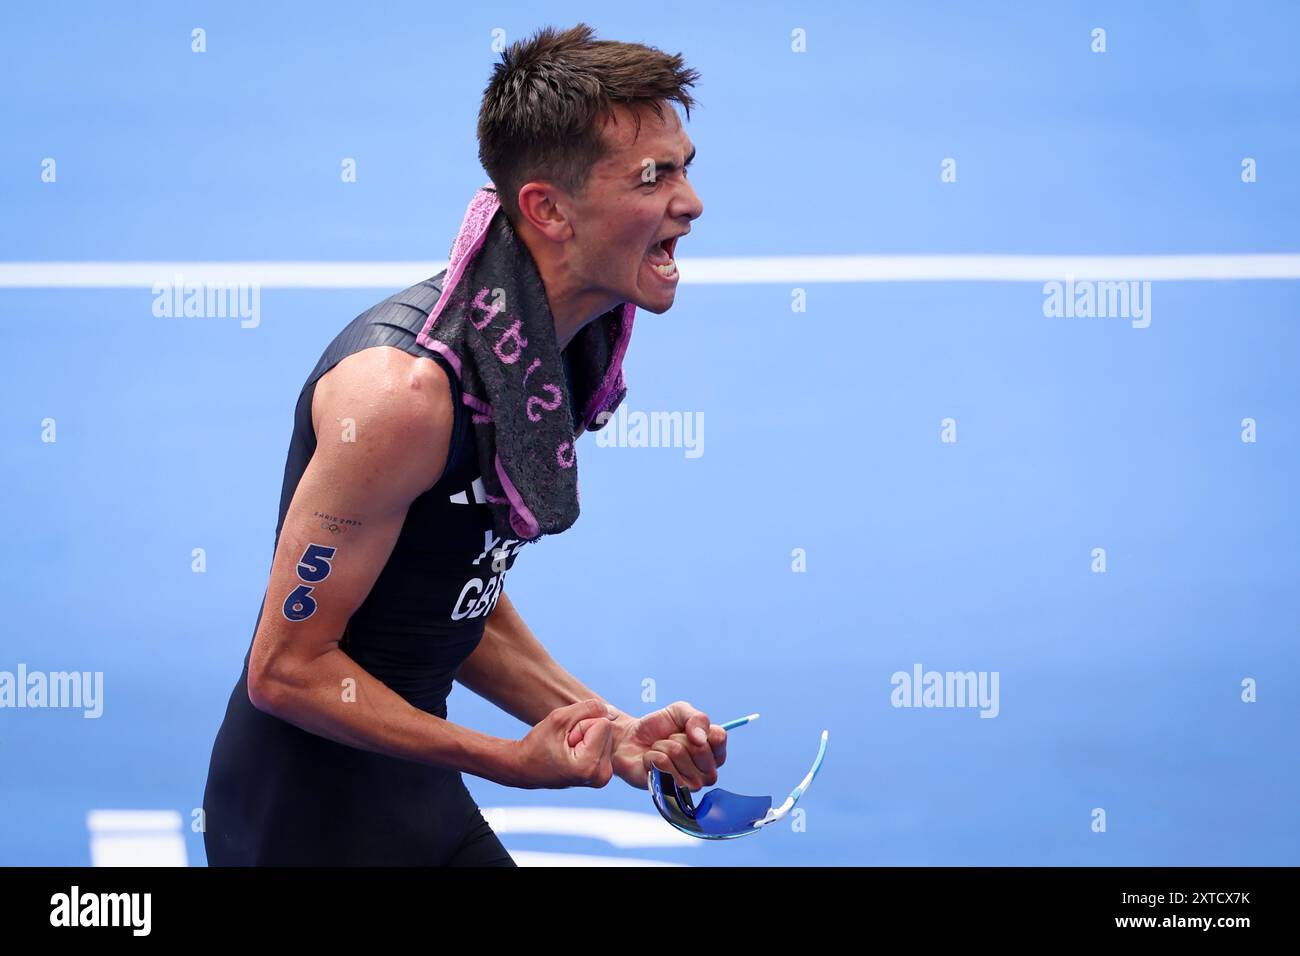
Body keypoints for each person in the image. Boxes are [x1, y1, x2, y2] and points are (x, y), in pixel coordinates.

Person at [202, 23, 723, 866]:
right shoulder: (400, 398)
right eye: (652, 177)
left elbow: (447, 586)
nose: (691, 202)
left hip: (409, 793)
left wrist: (611, 731)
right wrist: (507, 760)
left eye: (686, 165)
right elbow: (287, 669)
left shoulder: (545, 346)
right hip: (304, 828)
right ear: (546, 209)